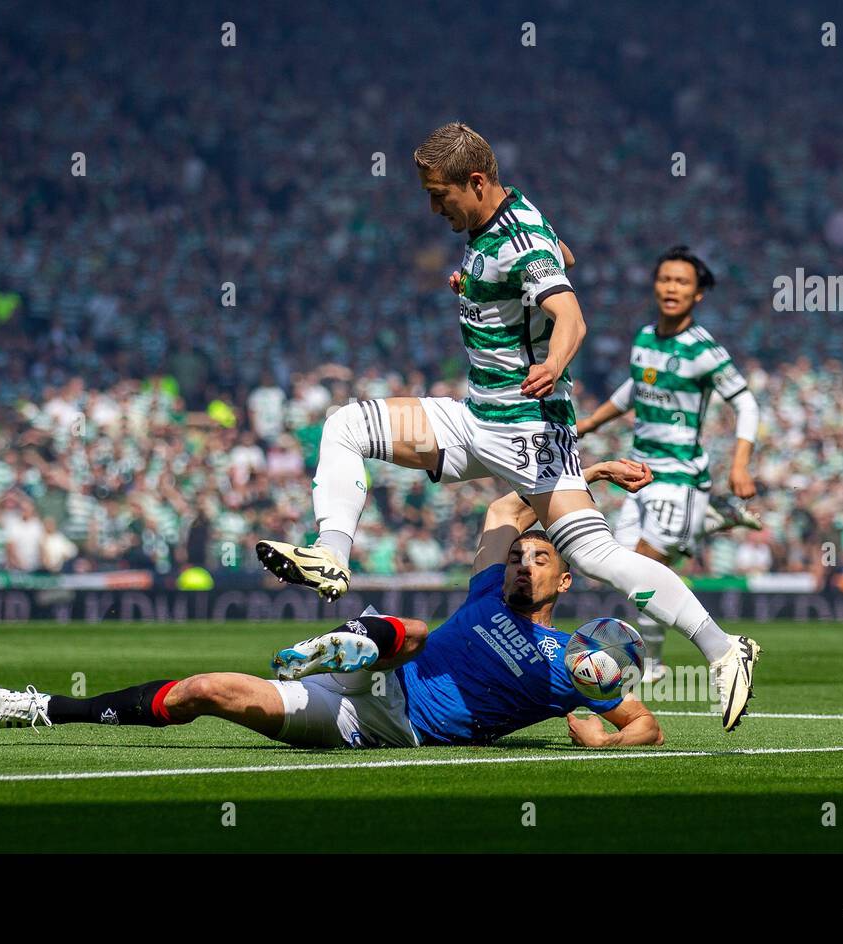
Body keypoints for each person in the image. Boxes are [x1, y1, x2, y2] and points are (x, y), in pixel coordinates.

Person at [254, 122, 760, 729]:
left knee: (596, 555)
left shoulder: (520, 239)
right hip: (476, 417)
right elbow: (561, 256)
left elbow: (568, 311)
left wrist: (554, 359)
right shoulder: (504, 222)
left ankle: (722, 648)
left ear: (474, 181)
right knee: (345, 425)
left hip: (527, 430)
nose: (432, 207)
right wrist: (484, 286)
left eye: (439, 194)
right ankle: (331, 556)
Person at [0, 461, 668, 748]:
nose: (520, 561)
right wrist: (594, 473)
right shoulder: (490, 589)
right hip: (377, 667)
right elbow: (503, 503)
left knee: (206, 690)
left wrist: (603, 740)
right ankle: (44, 705)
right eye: (518, 554)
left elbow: (646, 725)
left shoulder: (569, 660)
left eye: (539, 558)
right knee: (417, 630)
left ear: (567, 581)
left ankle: (335, 641)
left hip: (379, 725)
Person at [576, 246, 762, 680]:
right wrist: (590, 423)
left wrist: (740, 466)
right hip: (637, 473)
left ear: (697, 295)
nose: (671, 288)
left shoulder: (704, 350)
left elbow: (747, 404)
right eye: (665, 279)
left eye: (682, 282)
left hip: (678, 476)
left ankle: (653, 665)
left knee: (645, 565)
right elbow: (634, 390)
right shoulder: (644, 338)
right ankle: (709, 520)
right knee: (623, 569)